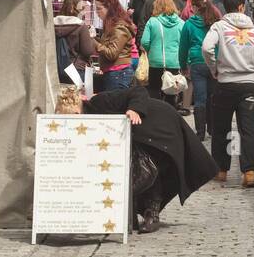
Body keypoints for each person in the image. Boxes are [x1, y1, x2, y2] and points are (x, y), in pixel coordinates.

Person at [54, 84, 217, 232]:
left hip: (159, 126)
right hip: (142, 137)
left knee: (144, 171)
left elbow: (138, 90)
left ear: (76, 111)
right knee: (141, 168)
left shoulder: (100, 102)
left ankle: (147, 213)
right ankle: (135, 215)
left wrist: (134, 109)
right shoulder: (85, 116)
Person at [203, 0, 254, 188]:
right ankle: (249, 172)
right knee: (248, 130)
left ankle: (221, 169)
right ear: (241, 6)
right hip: (248, 85)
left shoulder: (219, 27)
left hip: (225, 84)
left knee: (221, 129)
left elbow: (206, 48)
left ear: (225, 8)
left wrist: (215, 69)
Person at [180, 0, 220, 140]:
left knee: (200, 98)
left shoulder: (189, 24)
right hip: (213, 61)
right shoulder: (215, 22)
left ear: (195, 8)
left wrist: (183, 65)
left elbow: (183, 47)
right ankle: (212, 129)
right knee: (212, 97)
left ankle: (200, 132)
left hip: (196, 63)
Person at [140, 0, 184, 102]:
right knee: (171, 92)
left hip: (156, 61)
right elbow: (184, 43)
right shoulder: (181, 23)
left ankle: (156, 115)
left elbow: (144, 41)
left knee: (154, 92)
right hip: (174, 62)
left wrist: (151, 50)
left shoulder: (152, 21)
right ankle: (169, 115)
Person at [94, 0, 138, 91]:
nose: (97, 12)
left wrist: (94, 42)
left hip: (118, 73)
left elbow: (112, 53)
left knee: (115, 104)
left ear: (109, 8)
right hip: (114, 72)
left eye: (99, 8)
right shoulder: (111, 25)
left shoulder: (118, 27)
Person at [54, 0, 98, 80]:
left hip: (56, 68)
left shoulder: (52, 25)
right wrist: (91, 37)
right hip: (76, 70)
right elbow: (87, 51)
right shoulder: (81, 26)